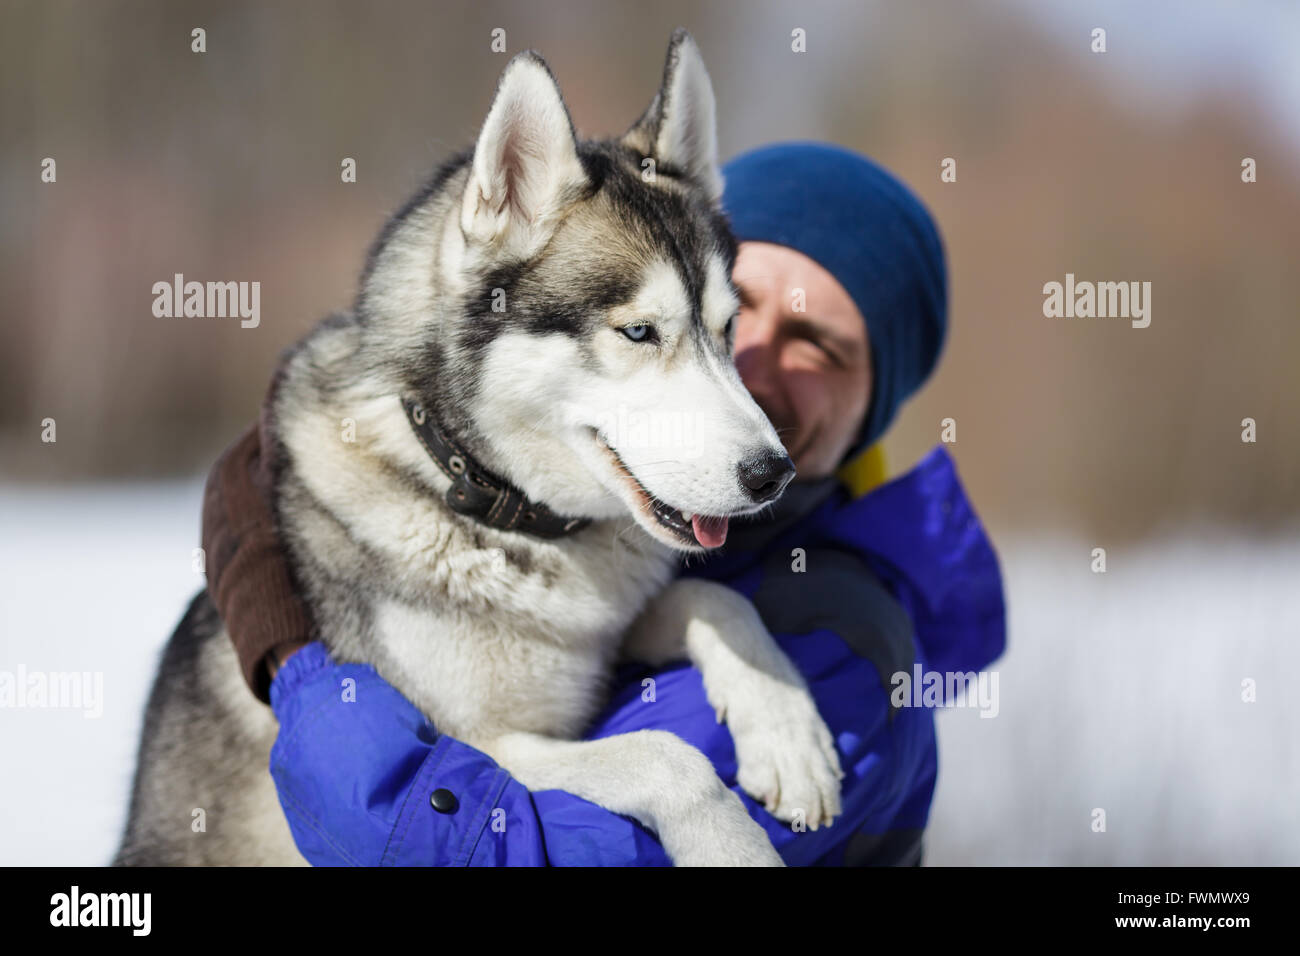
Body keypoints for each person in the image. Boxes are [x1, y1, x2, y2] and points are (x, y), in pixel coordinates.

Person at [203, 141, 1006, 866]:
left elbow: (440, 839)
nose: (748, 369)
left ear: (875, 408)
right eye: (738, 312)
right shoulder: (637, 508)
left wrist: (285, 640)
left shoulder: (844, 642)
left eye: (820, 347)